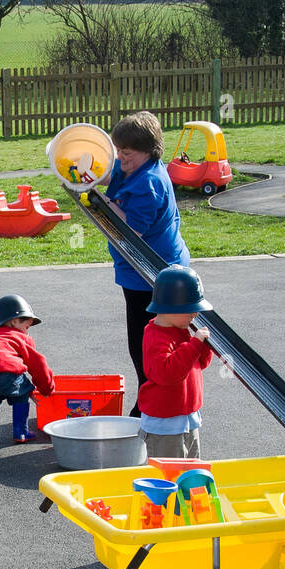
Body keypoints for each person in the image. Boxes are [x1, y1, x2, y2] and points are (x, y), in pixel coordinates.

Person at [105, 111, 191, 417]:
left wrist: (103, 203)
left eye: (126, 153)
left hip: (153, 274)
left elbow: (133, 231)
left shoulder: (149, 183)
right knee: (141, 342)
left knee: (147, 345)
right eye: (118, 151)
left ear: (147, 150)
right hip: (138, 272)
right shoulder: (133, 169)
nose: (120, 158)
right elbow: (109, 172)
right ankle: (150, 400)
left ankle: (150, 406)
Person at [138, 266, 213, 458]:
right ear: (171, 307)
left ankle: (189, 490)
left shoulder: (182, 329)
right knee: (169, 478)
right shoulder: (156, 337)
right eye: (190, 310)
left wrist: (205, 346)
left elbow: (198, 364)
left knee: (192, 474)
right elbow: (167, 373)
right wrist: (195, 344)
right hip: (165, 427)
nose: (195, 315)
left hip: (188, 419)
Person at [0, 295, 56, 445]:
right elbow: (38, 364)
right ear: (14, 321)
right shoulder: (21, 337)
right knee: (22, 393)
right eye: (26, 327)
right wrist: (46, 388)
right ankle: (21, 432)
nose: (27, 332)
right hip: (3, 372)